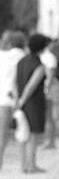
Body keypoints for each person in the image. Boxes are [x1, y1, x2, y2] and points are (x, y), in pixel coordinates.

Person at [12, 33, 51, 174]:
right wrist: (23, 100)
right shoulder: (39, 65)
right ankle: (32, 164)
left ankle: (23, 165)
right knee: (33, 134)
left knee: (22, 133)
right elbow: (31, 86)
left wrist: (17, 100)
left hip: (20, 102)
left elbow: (15, 83)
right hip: (33, 102)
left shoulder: (21, 61)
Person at [0, 29, 27, 171]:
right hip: (19, 98)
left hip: (3, 98)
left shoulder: (2, 56)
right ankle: (24, 164)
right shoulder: (24, 56)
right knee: (23, 131)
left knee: (2, 133)